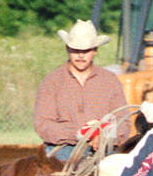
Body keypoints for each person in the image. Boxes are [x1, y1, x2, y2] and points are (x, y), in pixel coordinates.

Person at [34, 20, 128, 162]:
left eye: (86, 50)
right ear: (67, 49)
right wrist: (78, 134)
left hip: (104, 148)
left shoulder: (110, 80)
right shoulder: (52, 81)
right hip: (63, 148)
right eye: (75, 50)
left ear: (95, 51)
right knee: (55, 172)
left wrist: (105, 137)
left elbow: (123, 121)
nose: (81, 55)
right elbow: (44, 123)